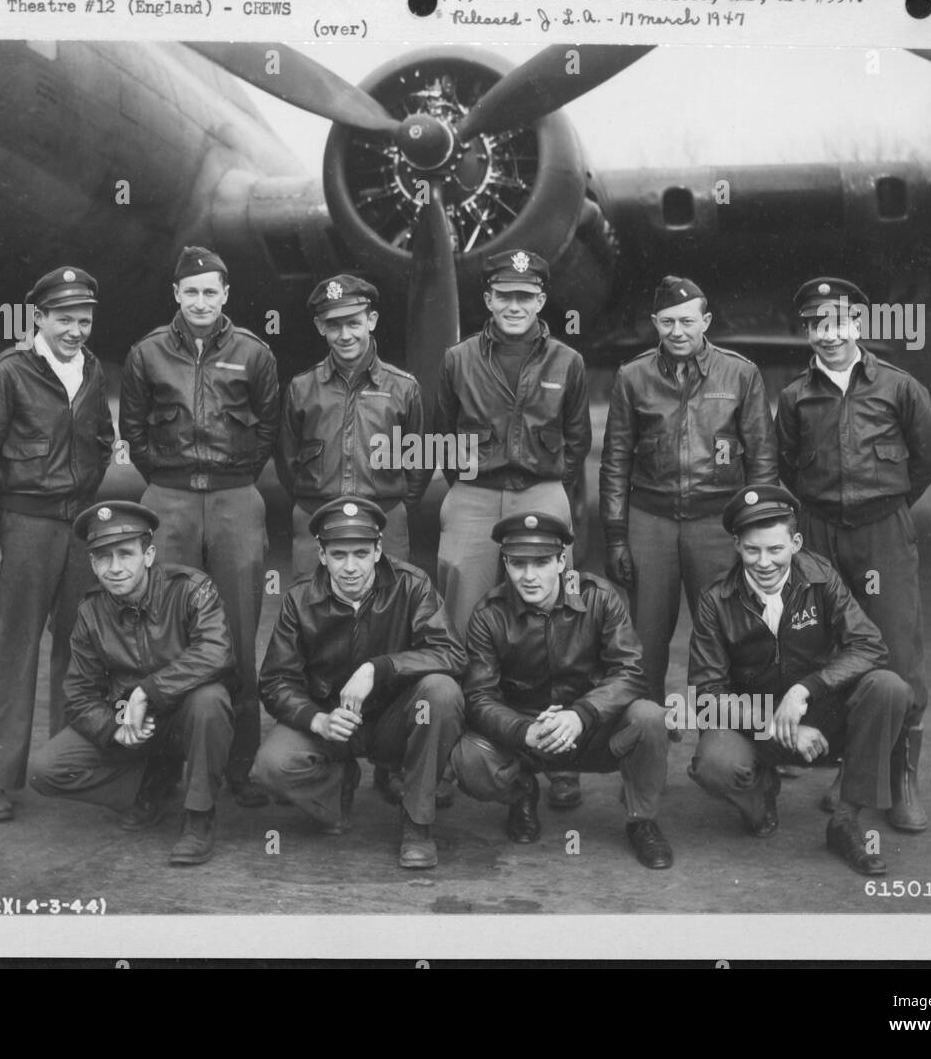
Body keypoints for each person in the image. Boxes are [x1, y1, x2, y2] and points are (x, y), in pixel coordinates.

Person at [775, 278, 931, 832]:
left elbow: (927, 459)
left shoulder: (899, 387)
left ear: (861, 326)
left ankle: (901, 779)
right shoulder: (796, 397)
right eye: (816, 324)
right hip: (820, 530)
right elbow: (786, 465)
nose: (829, 334)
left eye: (840, 322)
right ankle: (848, 769)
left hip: (881, 533)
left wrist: (886, 510)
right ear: (807, 332)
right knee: (829, 647)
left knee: (896, 649)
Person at [119, 246, 279, 809]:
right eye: (192, 292)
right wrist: (168, 481)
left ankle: (239, 766)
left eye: (212, 292)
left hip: (236, 498)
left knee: (237, 632)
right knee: (163, 633)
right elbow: (133, 430)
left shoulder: (254, 353)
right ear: (176, 296)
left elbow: (267, 429)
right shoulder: (147, 354)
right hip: (169, 500)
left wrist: (234, 478)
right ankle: (164, 768)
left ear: (226, 295)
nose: (202, 302)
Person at [0, 266, 114, 823]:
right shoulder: (7, 373)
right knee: (13, 652)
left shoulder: (91, 369)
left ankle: (63, 766)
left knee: (80, 648)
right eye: (64, 319)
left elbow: (102, 437)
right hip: (23, 528)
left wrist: (84, 491)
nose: (76, 330)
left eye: (85, 319)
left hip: (79, 532)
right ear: (38, 318)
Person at [685, 485, 912, 876]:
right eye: (752, 550)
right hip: (754, 725)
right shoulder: (715, 600)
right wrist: (773, 724)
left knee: (889, 687)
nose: (764, 562)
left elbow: (870, 646)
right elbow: (707, 696)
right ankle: (759, 796)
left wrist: (805, 688)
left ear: (796, 543)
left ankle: (845, 820)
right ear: (737, 546)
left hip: (819, 714)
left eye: (775, 549)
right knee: (715, 763)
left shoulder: (821, 577)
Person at [435, 248, 592, 810]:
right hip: (475, 494)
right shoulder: (456, 359)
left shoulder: (567, 360)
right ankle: (453, 751)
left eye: (526, 296)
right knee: (458, 616)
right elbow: (443, 434)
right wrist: (473, 482)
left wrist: (548, 487)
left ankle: (560, 758)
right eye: (505, 296)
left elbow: (578, 442)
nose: (515, 306)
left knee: (557, 621)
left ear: (542, 301)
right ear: (488, 299)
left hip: (542, 490)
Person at [450, 513, 674, 869]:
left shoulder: (599, 598)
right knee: (468, 757)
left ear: (561, 561)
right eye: (518, 563)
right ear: (505, 563)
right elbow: (479, 697)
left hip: (593, 729)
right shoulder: (489, 615)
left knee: (650, 717)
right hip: (527, 735)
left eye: (541, 562)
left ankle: (641, 820)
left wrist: (580, 714)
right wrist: (525, 731)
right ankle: (521, 793)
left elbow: (630, 672)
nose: (529, 575)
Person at [254, 497, 466, 869]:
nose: (350, 567)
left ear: (378, 550)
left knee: (441, 692)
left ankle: (417, 822)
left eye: (361, 553)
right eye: (338, 554)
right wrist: (315, 719)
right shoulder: (299, 599)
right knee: (271, 765)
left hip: (394, 721)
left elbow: (450, 653)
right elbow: (275, 681)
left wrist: (378, 668)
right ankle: (338, 789)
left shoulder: (411, 585)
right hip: (331, 722)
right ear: (321, 554)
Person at [28, 502, 237, 866]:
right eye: (103, 558)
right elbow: (78, 694)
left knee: (211, 700)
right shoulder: (91, 611)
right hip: (133, 724)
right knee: (45, 769)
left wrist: (148, 691)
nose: (115, 567)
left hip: (186, 714)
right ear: (92, 564)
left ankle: (199, 816)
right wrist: (113, 729)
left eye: (126, 554)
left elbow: (217, 652)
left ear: (149, 554)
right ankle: (147, 785)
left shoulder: (189, 588)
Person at [599, 274, 776, 702]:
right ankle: (645, 740)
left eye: (687, 322)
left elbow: (763, 461)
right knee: (644, 642)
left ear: (706, 321)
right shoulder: (633, 376)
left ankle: (735, 744)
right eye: (666, 323)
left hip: (717, 522)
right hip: (651, 521)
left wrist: (760, 530)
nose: (677, 332)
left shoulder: (740, 374)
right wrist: (617, 537)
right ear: (654, 323)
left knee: (731, 635)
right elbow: (616, 461)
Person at [275, 273, 430, 577]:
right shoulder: (302, 388)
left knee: (389, 611)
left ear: (371, 321)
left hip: (383, 518)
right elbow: (287, 461)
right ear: (320, 327)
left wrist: (390, 506)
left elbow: (418, 465)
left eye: (353, 323)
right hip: (315, 517)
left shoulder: (403, 388)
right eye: (333, 325)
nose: (345, 335)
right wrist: (314, 499)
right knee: (311, 610)